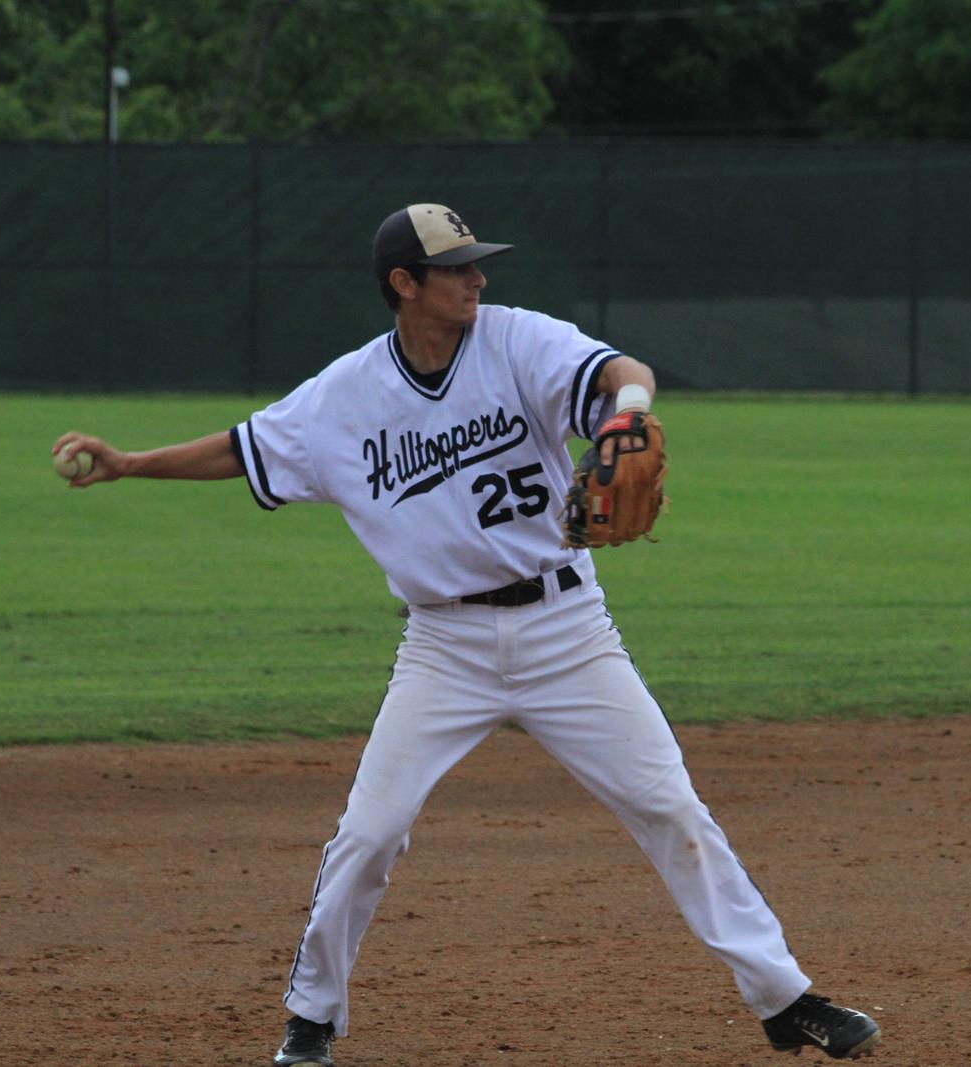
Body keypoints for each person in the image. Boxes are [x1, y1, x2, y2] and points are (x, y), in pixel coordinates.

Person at [52, 204, 881, 1065]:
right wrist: (129, 463)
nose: (477, 279)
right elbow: (244, 447)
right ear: (403, 285)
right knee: (371, 833)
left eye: (476, 264)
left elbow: (620, 371)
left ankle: (784, 999)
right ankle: (310, 1019)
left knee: (671, 806)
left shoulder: (516, 339)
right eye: (456, 269)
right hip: (443, 649)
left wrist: (625, 412)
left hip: (567, 630)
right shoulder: (344, 395)